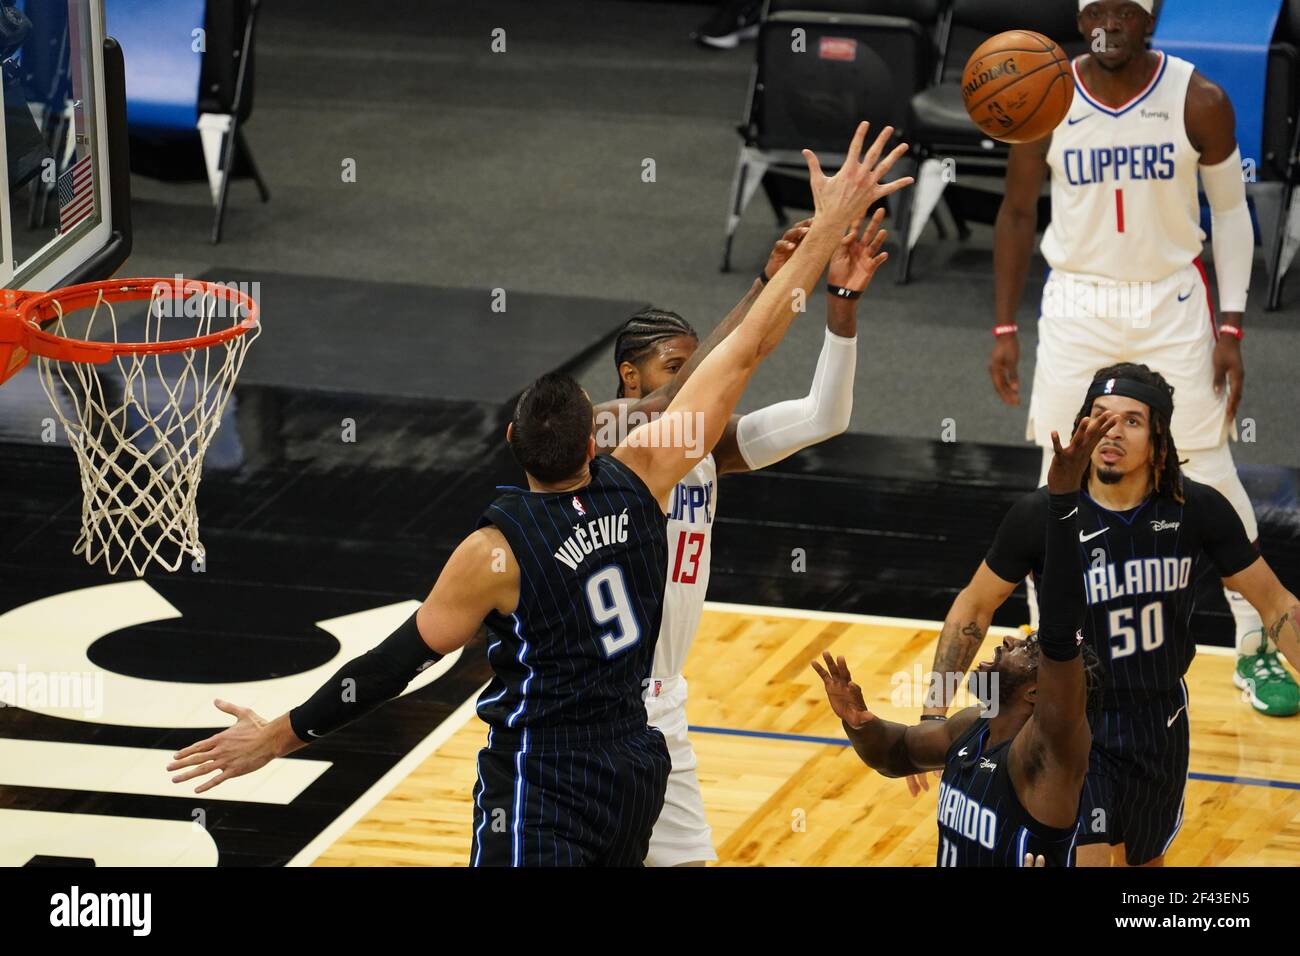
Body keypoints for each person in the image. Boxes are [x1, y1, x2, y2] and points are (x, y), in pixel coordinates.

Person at [165, 121, 913, 867]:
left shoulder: (494, 555)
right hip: (633, 760)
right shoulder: (644, 477)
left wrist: (279, 734)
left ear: (509, 444)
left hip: (548, 776)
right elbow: (750, 347)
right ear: (598, 439)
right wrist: (828, 232)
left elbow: (393, 665)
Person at [986, 0, 1294, 714]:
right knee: (1059, 478)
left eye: (1124, 12)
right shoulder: (1047, 92)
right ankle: (1056, 656)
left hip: (1170, 300)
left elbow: (1232, 212)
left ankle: (1256, 645)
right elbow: (1016, 212)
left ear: (1150, 20)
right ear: (1082, 15)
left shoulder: (1200, 98)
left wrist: (1233, 326)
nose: (1109, 24)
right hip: (1077, 301)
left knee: (1207, 469)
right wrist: (1004, 327)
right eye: (1097, 11)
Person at [592, 208, 892, 866]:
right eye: (679, 366)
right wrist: (766, 285)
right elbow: (686, 398)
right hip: (594, 701)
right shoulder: (604, 436)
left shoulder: (709, 447)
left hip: (663, 700)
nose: (700, 378)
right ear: (631, 377)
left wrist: (840, 310)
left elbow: (824, 416)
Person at [919, 363, 1300, 866]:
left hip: (1157, 718)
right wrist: (933, 712)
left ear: (1158, 438)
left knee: (1146, 864)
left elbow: (1276, 605)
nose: (1111, 431)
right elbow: (975, 606)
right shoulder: (1042, 516)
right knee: (1089, 859)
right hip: (1069, 720)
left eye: (1131, 421)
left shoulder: (1198, 510)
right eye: (1099, 417)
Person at [813, 412, 1115, 866]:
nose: (1010, 641)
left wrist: (1063, 499)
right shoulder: (973, 726)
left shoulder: (1050, 751)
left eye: (1028, 650)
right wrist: (859, 722)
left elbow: (1060, 626)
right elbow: (894, 755)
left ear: (1040, 690)